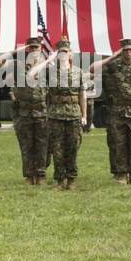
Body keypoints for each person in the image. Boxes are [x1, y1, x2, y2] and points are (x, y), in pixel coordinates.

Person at [97, 37, 131, 184]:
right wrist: (113, 56)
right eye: (125, 50)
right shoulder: (113, 66)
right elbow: (92, 69)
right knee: (119, 144)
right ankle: (121, 174)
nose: (128, 52)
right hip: (118, 112)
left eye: (130, 49)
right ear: (121, 51)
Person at [0, 38, 49, 185]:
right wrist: (18, 50)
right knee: (26, 146)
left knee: (42, 146)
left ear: (41, 48)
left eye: (36, 47)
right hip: (23, 113)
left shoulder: (48, 66)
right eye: (30, 47)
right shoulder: (17, 66)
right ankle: (29, 176)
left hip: (43, 113)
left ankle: (41, 175)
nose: (33, 50)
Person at [44, 39, 87, 190]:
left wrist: (84, 115)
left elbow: (82, 95)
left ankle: (71, 179)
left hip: (74, 114)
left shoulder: (78, 72)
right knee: (57, 148)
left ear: (70, 54)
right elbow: (31, 76)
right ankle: (59, 180)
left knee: (73, 147)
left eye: (66, 52)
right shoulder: (50, 72)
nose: (63, 55)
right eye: (60, 52)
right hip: (56, 114)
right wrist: (48, 60)